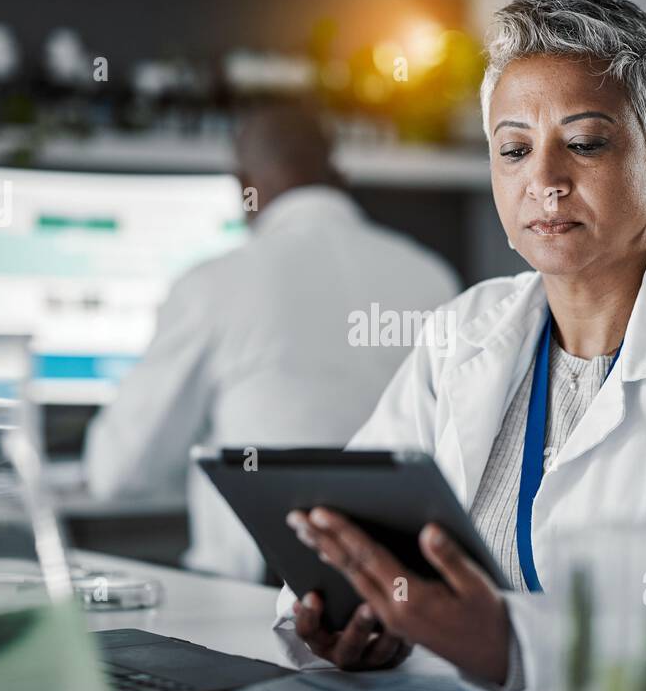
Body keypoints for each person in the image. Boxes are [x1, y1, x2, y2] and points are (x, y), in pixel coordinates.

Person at [277, 0, 646, 691]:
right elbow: (345, 530)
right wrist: (348, 622)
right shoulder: (464, 331)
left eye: (582, 143)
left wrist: (514, 646)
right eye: (514, 149)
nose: (544, 180)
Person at [84, 104, 460, 580]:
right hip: (401, 591)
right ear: (339, 177)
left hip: (254, 597)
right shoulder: (431, 277)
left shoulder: (212, 285)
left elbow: (119, 473)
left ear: (243, 187)